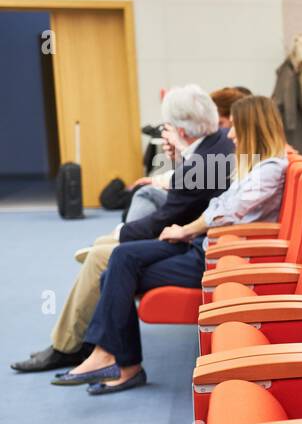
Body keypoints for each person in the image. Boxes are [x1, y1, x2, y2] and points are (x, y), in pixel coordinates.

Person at [52, 96, 289, 394]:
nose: (230, 134)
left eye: (236, 127)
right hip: (205, 243)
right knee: (121, 259)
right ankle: (110, 358)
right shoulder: (254, 166)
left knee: (116, 271)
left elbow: (226, 210)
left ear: (253, 128)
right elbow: (218, 204)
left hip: (219, 257)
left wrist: (185, 229)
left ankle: (120, 362)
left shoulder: (270, 170)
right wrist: (186, 230)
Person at [11, 85, 234, 374]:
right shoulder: (217, 145)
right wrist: (180, 155)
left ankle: (67, 347)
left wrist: (122, 234)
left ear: (182, 130)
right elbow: (188, 199)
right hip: (193, 234)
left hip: (193, 243)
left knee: (102, 258)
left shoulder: (205, 163)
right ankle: (76, 342)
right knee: (107, 248)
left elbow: (172, 212)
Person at [123, 86, 250, 224]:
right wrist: (182, 154)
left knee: (145, 195)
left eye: (220, 123)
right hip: (206, 210)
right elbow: (198, 179)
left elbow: (202, 178)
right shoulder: (221, 146)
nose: (214, 129)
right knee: (143, 194)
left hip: (208, 219)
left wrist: (185, 150)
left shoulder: (232, 146)